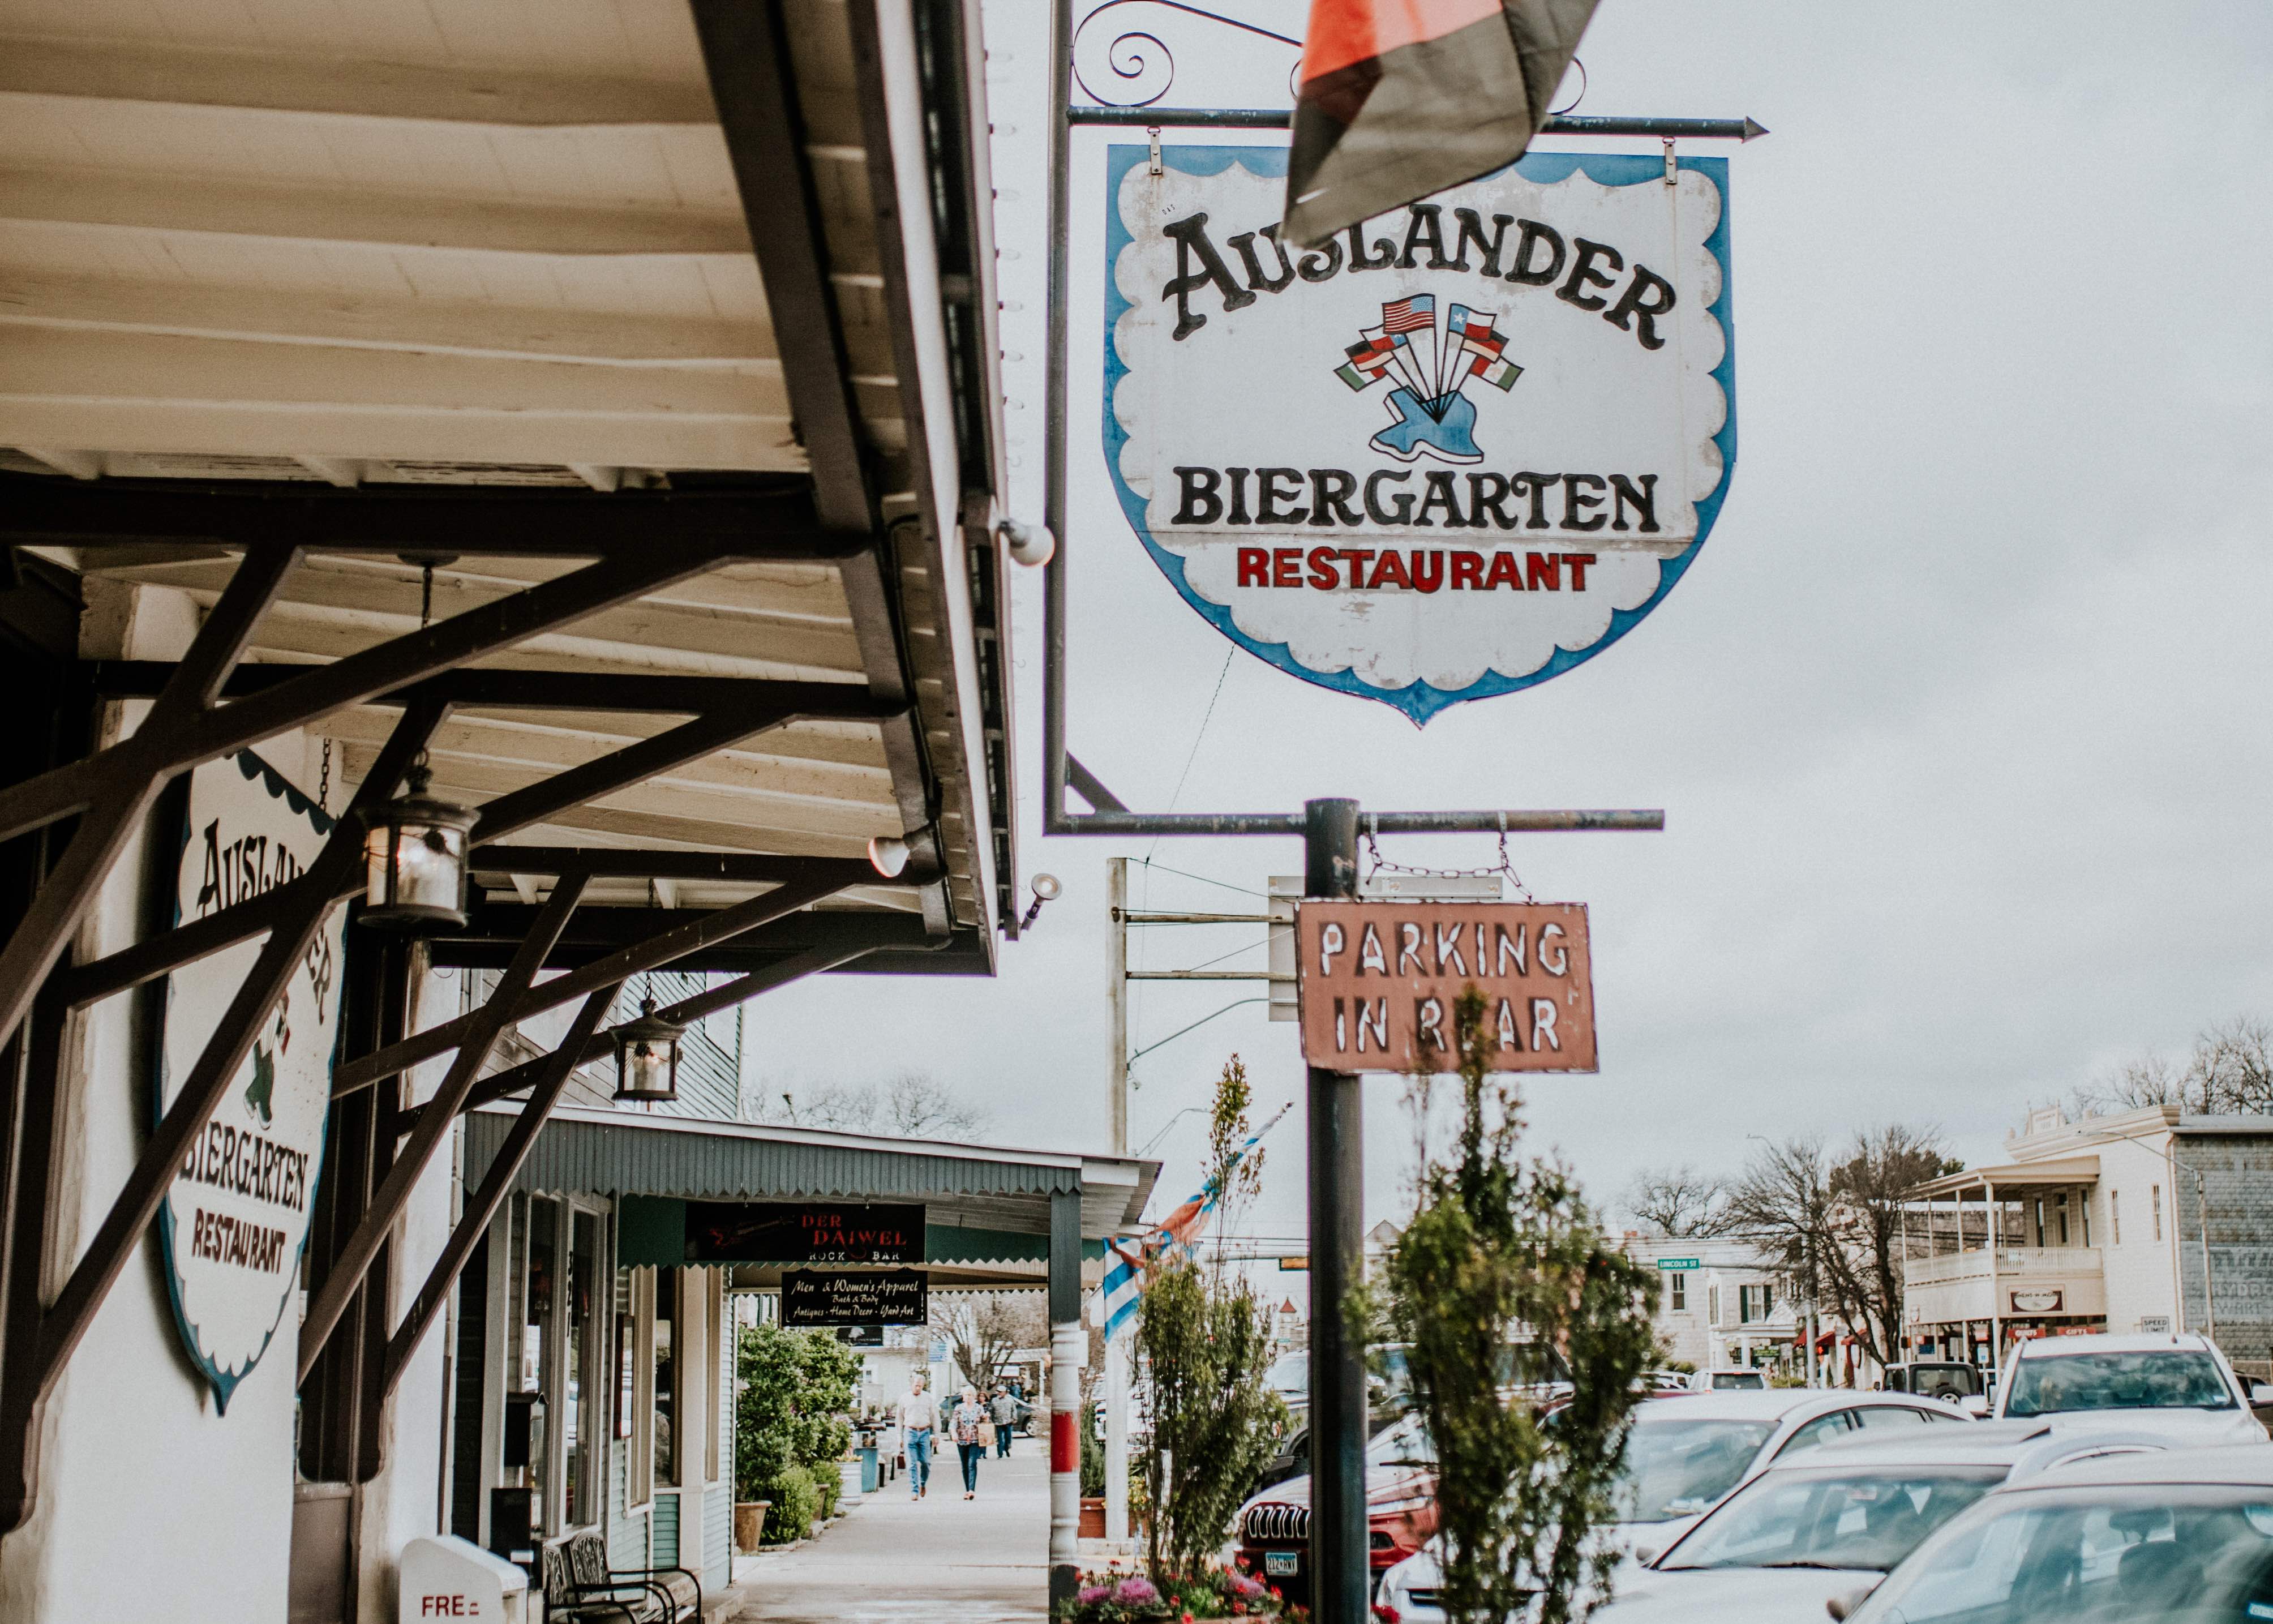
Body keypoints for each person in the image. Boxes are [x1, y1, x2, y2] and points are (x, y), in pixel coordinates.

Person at [897, 1372, 936, 1499]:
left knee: (926, 1462)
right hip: (910, 1431)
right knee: (912, 1463)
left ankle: (922, 1483)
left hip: (924, 1432)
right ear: (911, 1385)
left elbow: (934, 1416)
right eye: (916, 1385)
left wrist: (936, 1434)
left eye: (920, 1386)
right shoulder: (904, 1398)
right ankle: (914, 1490)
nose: (918, 1388)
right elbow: (899, 1418)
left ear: (923, 1386)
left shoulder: (928, 1398)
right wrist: (899, 1436)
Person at [950, 1384, 987, 1498]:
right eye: (966, 1395)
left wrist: (986, 1418)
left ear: (974, 1396)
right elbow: (953, 1422)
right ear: (963, 1396)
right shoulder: (959, 1408)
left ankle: (971, 1490)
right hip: (961, 1440)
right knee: (965, 1465)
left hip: (975, 1440)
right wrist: (953, 1433)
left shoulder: (979, 1408)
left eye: (970, 1395)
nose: (968, 1397)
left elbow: (984, 1421)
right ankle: (967, 1490)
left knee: (972, 1463)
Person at [988, 1386, 1020, 1457]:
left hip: (1008, 1421)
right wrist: (991, 1420)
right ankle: (1000, 1453)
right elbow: (991, 1411)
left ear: (1005, 1393)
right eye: (998, 1392)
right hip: (998, 1422)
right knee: (999, 1439)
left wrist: (1014, 1418)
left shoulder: (1010, 1400)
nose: (999, 1393)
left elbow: (1014, 1410)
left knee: (1008, 1437)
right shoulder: (994, 1400)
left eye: (1001, 1392)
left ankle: (1006, 1448)